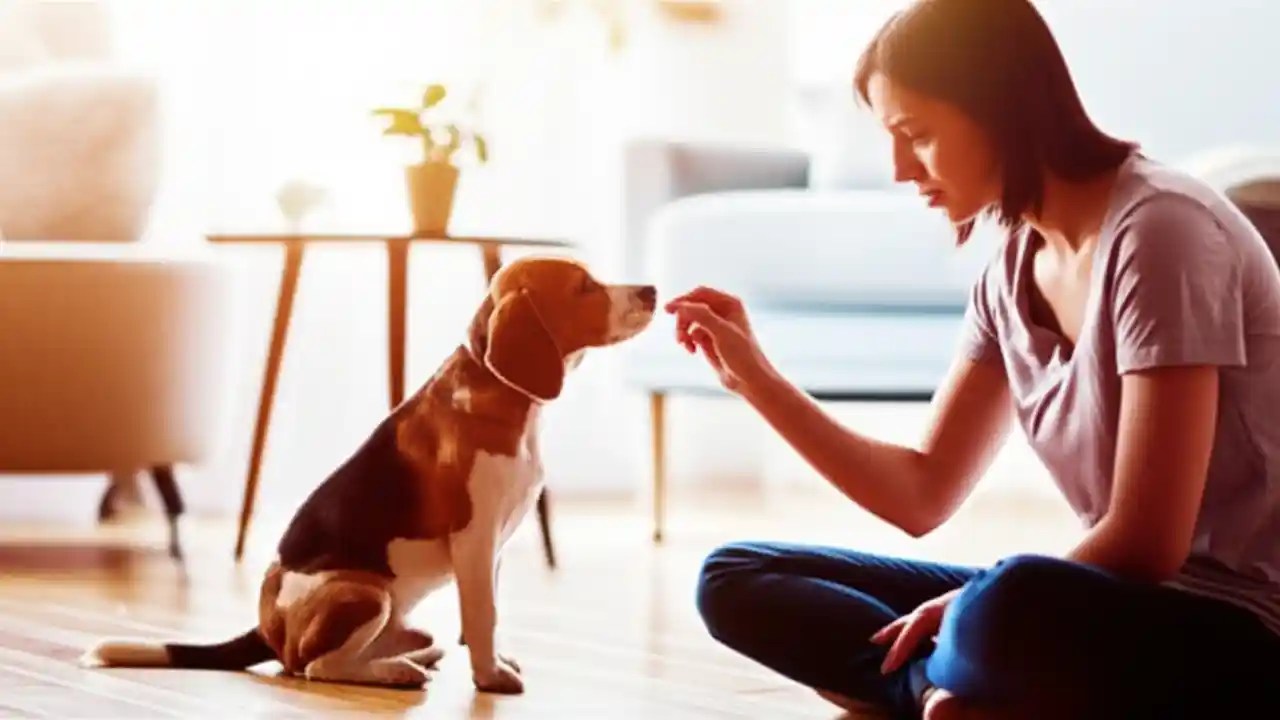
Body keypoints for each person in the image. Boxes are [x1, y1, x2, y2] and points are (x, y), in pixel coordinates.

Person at [664, 1, 1280, 718]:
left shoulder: (1163, 233)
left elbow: (1146, 543)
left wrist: (967, 606)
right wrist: (757, 381)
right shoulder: (1011, 267)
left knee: (1007, 603)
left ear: (999, 108)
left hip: (1246, 630)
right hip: (1106, 612)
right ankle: (944, 692)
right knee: (737, 575)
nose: (899, 169)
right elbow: (921, 493)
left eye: (916, 135)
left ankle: (949, 681)